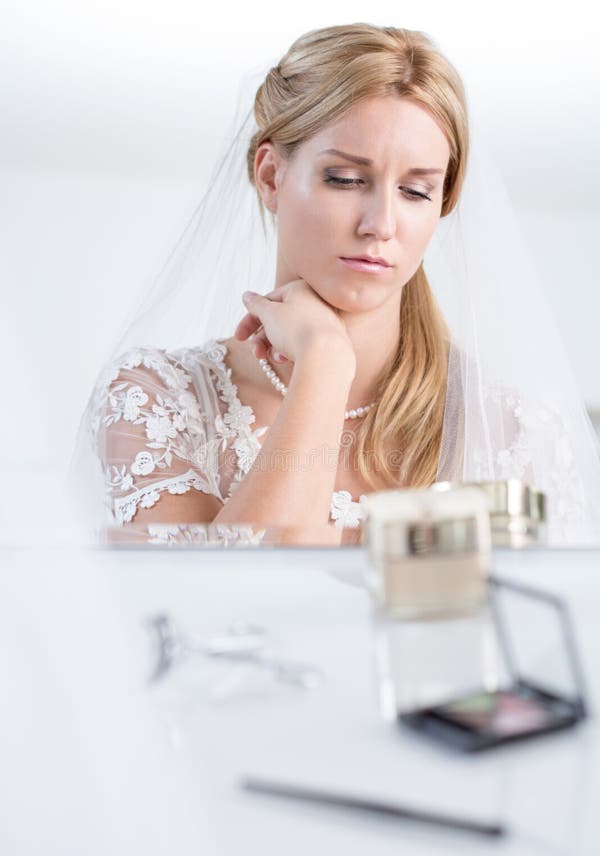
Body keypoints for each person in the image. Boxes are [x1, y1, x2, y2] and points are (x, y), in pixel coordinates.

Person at [75, 23, 600, 546]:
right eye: (346, 179)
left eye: (416, 191)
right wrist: (323, 365)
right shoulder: (157, 399)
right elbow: (219, 604)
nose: (381, 224)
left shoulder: (520, 433)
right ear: (270, 176)